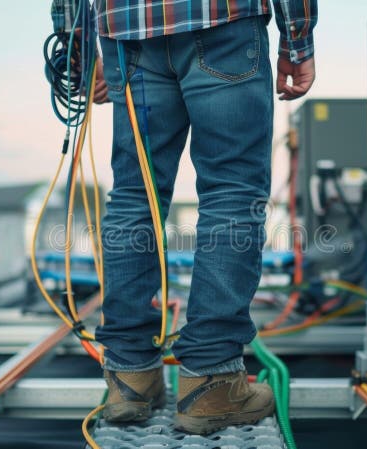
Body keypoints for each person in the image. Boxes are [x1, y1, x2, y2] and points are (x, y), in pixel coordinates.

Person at [69, 0, 316, 435]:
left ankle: (129, 377)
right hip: (224, 20)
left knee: (134, 194)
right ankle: (210, 380)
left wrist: (81, 49)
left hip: (127, 30)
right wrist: (297, 41)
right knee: (232, 191)